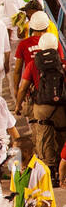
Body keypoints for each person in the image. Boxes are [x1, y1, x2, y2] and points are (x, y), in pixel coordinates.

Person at [17, 31, 66, 177]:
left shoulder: (33, 64)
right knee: (62, 136)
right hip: (61, 106)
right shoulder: (63, 64)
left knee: (45, 138)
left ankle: (50, 172)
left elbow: (23, 88)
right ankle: (62, 167)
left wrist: (18, 105)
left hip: (41, 106)